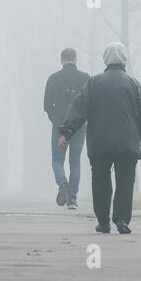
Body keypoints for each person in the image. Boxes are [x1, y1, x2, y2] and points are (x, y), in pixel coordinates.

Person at [59, 42, 141, 235]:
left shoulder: (94, 83)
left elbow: (78, 109)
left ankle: (103, 221)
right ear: (124, 60)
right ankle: (121, 219)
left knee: (101, 181)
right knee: (125, 182)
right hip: (127, 143)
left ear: (106, 60)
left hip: (100, 143)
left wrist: (67, 133)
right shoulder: (133, 84)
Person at [44, 48, 89, 209]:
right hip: (79, 127)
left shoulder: (53, 78)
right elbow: (88, 104)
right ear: (75, 59)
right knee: (75, 162)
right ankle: (72, 199)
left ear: (61, 60)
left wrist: (55, 119)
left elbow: (47, 105)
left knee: (57, 160)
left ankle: (62, 181)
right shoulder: (85, 78)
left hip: (59, 126)